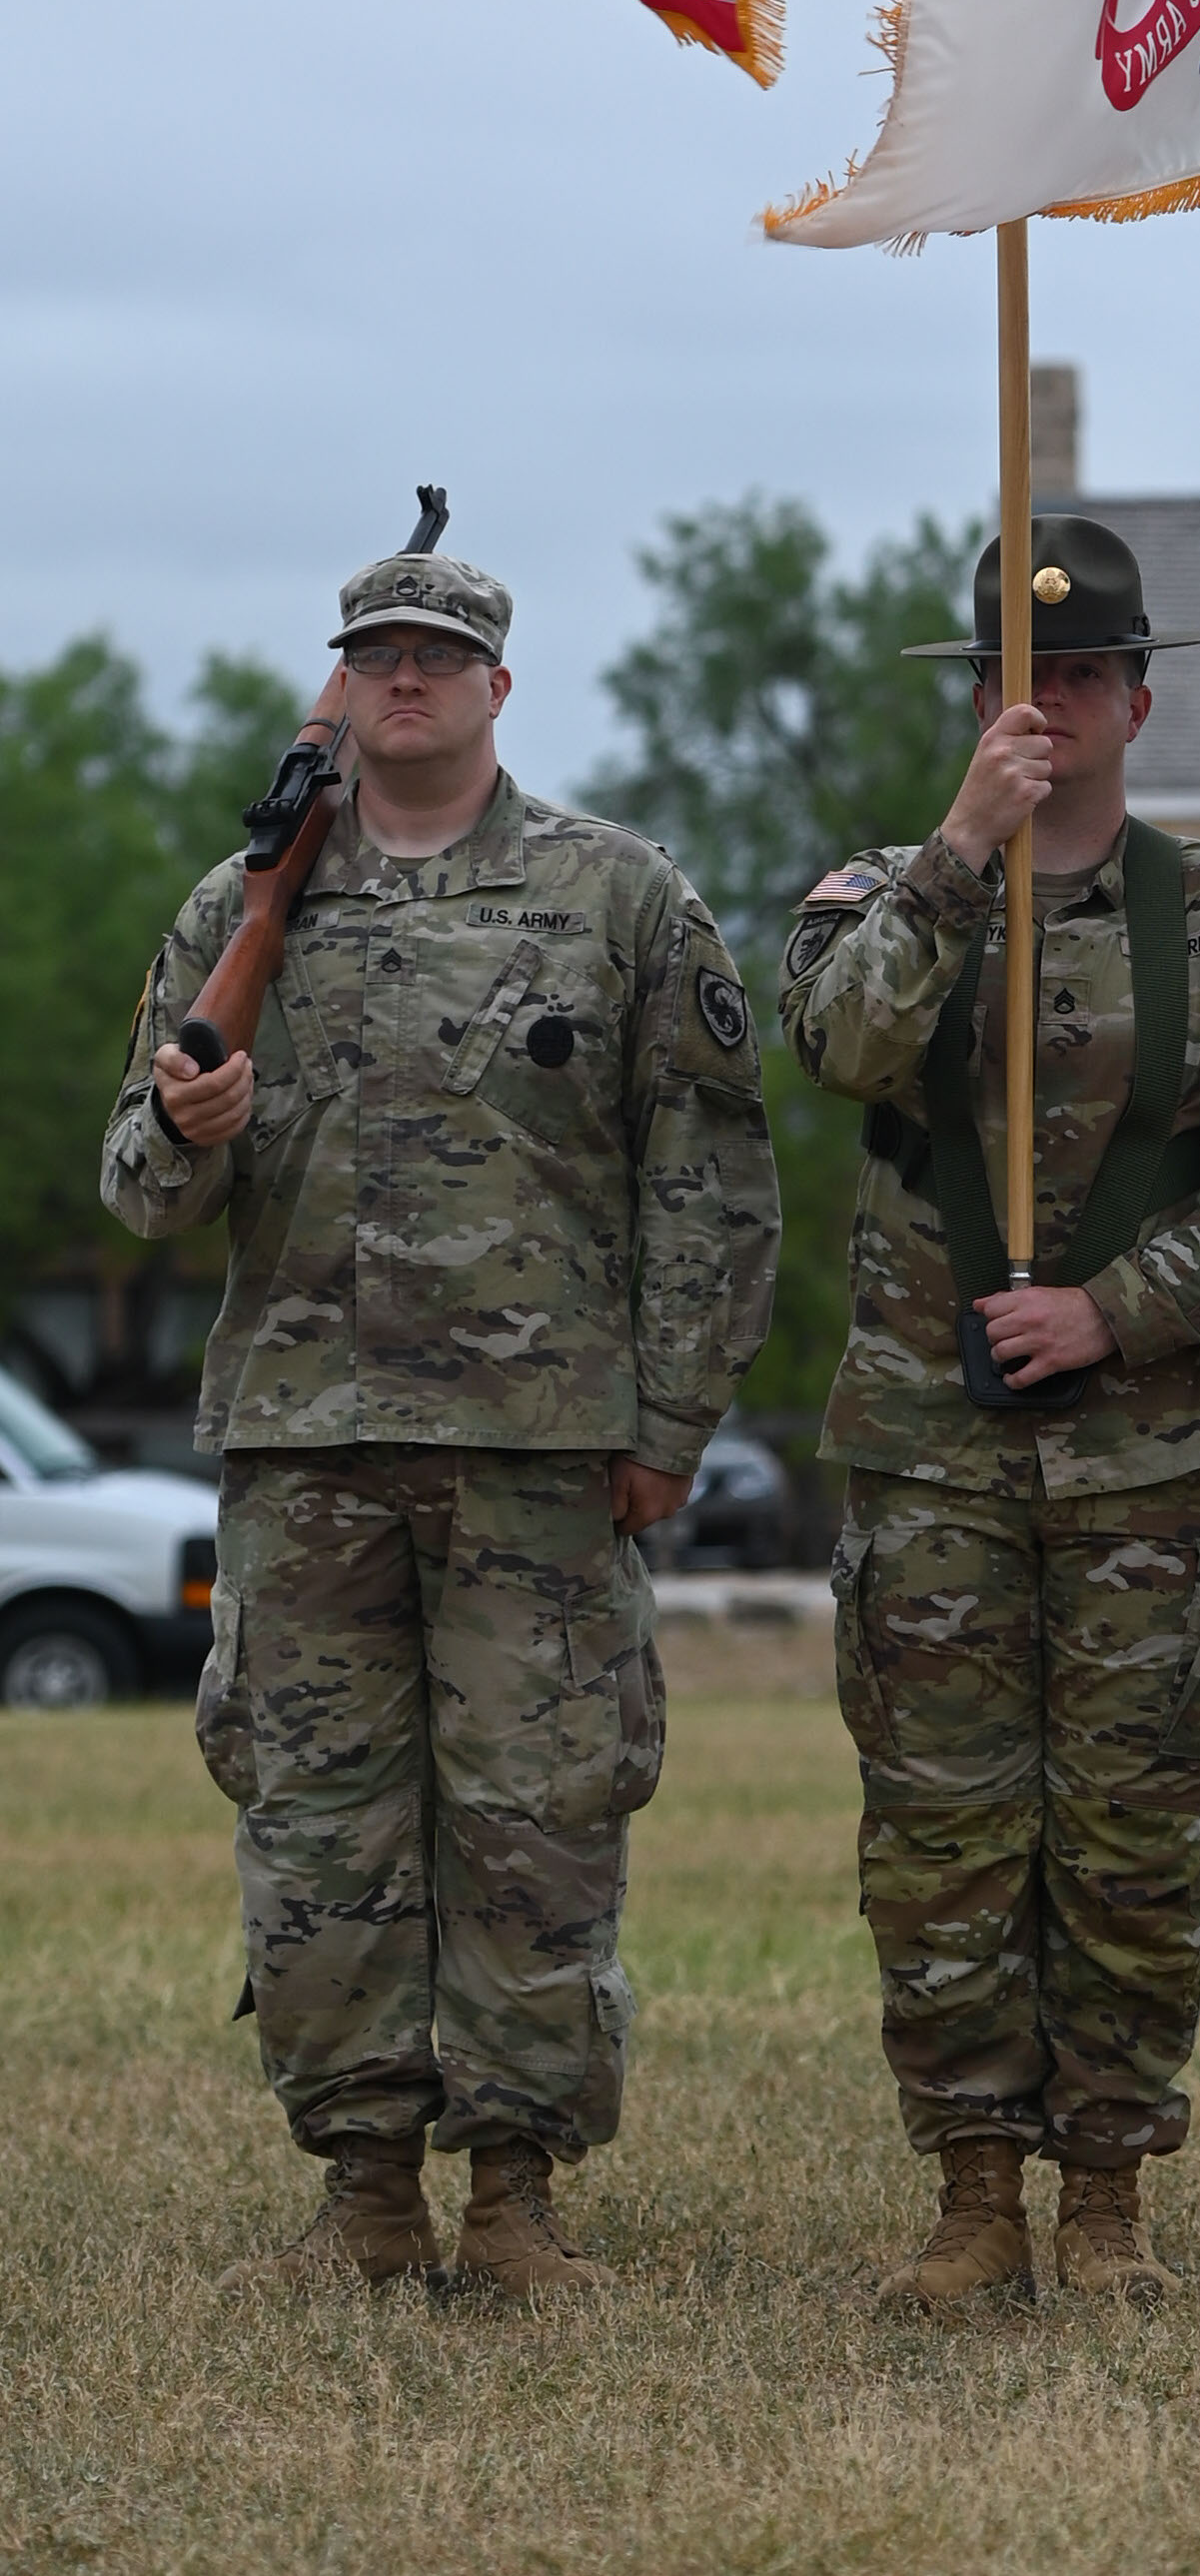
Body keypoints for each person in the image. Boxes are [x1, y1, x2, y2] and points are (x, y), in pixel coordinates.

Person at [100, 534, 780, 2300]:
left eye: (440, 650)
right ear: (340, 686)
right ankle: (364, 2195)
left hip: (541, 1455)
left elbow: (708, 1181)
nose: (408, 675)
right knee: (319, 1827)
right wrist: (193, 1125)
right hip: (305, 1447)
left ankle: (516, 2205)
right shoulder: (241, 900)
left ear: (497, 685)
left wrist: (674, 1418)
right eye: (377, 649)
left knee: (536, 1823)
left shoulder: (620, 895)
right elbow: (136, 1190)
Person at [779, 514, 1200, 2312]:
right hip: (928, 1455)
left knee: (1134, 1834)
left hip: (1158, 1463)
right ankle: (971, 2196)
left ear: (1141, 697)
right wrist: (963, 849)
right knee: (944, 1834)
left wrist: (1114, 1307)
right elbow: (843, 1051)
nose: (1059, 706)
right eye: (1021, 682)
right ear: (979, 700)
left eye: (1089, 676)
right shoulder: (879, 891)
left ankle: (1106, 2195)